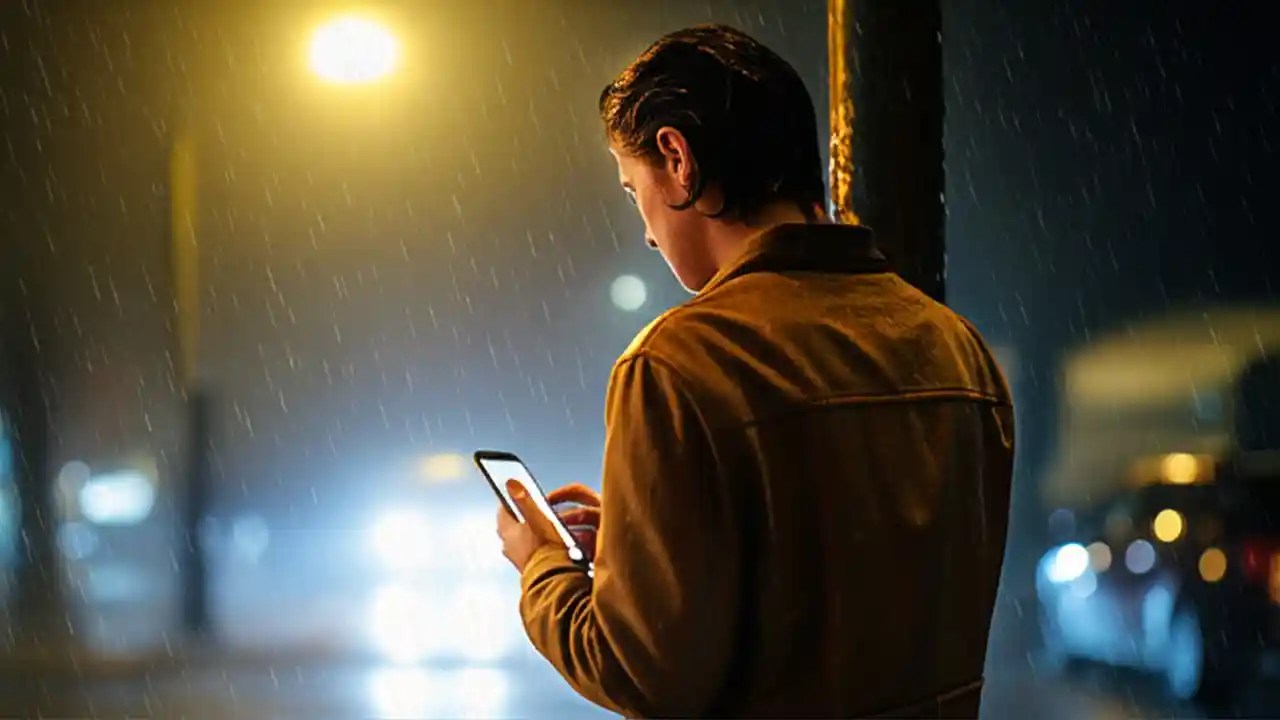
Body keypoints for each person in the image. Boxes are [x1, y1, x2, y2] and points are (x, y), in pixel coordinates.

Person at [496, 23, 1014, 719]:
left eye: (632, 191)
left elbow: (641, 672)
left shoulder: (676, 363)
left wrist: (543, 568)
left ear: (677, 158)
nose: (647, 231)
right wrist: (646, 538)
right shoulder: (957, 346)